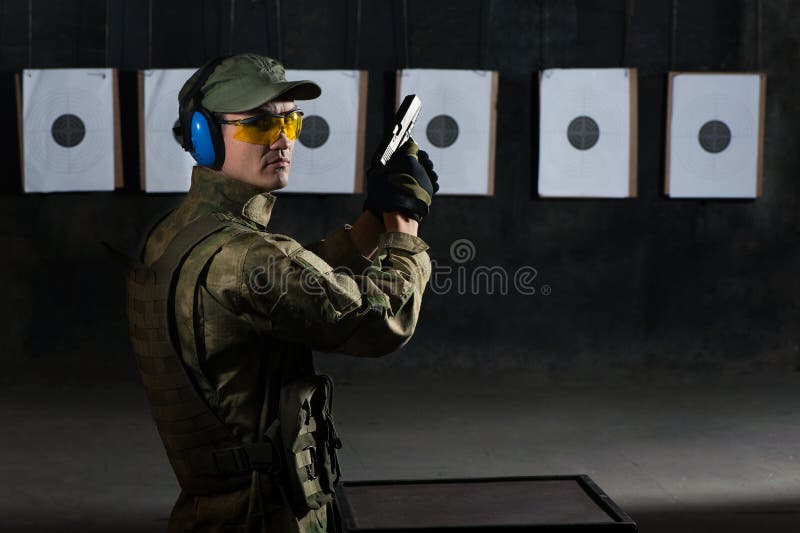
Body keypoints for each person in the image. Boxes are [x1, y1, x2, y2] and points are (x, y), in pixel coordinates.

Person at [125, 53, 438, 532]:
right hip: (267, 516)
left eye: (290, 120)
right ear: (204, 136)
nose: (282, 139)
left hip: (213, 510)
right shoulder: (248, 254)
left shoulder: (176, 232)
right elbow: (380, 321)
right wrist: (404, 228)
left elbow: (286, 288)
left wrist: (373, 221)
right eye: (256, 125)